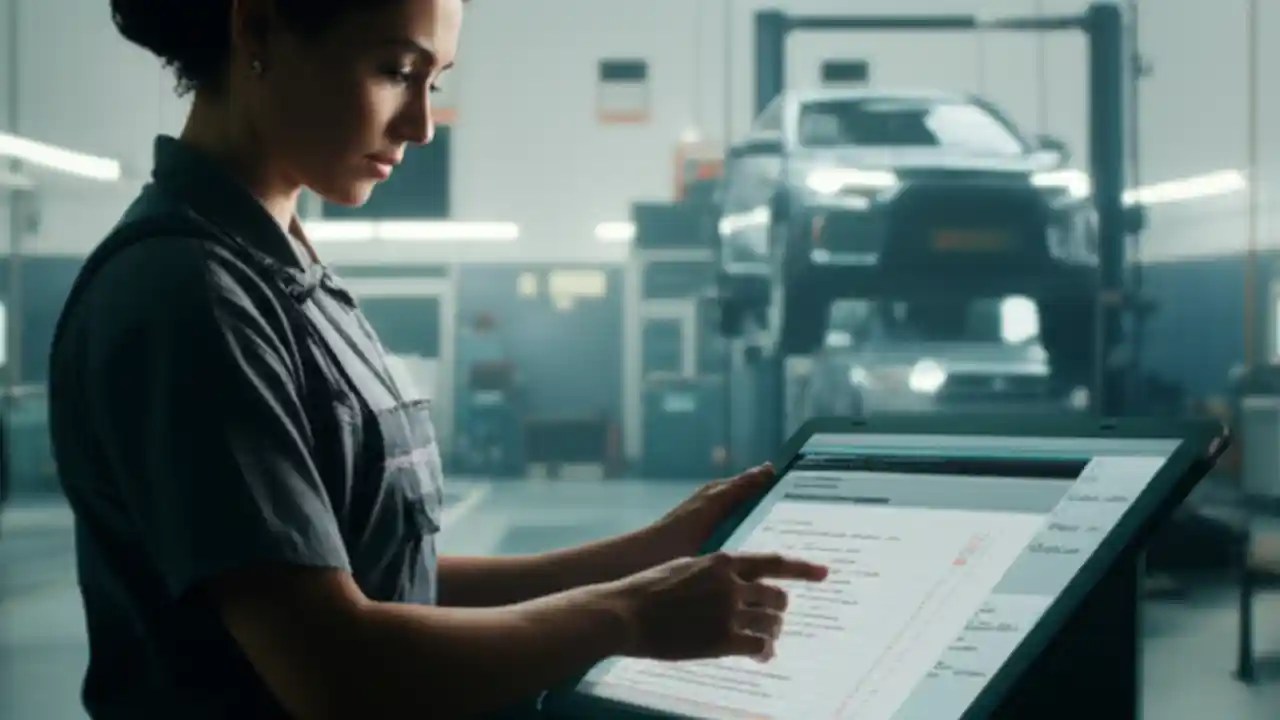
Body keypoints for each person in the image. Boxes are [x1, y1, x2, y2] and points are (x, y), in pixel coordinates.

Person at [47, 1, 829, 718]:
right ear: (256, 30)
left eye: (435, 82)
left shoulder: (284, 274)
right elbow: (334, 669)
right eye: (395, 70)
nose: (423, 125)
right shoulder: (190, 297)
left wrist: (645, 554)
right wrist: (625, 614)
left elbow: (383, 585)